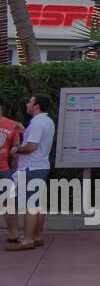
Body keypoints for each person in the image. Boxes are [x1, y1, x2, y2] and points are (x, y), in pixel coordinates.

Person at [6, 95, 56, 252]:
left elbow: (31, 147)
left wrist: (16, 149)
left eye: (30, 102)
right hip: (40, 166)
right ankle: (37, 236)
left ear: (37, 106)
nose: (27, 104)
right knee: (36, 204)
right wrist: (23, 131)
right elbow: (37, 141)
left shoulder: (37, 123)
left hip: (30, 168)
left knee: (28, 205)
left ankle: (27, 240)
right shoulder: (46, 121)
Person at [1, 101, 26, 244]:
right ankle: (14, 233)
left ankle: (14, 233)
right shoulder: (11, 125)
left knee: (8, 202)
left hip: (3, 169)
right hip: (4, 170)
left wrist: (16, 169)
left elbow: (15, 149)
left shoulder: (12, 125)